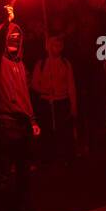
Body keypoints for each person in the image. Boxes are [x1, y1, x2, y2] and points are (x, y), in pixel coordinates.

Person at [0, 5, 47, 211]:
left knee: (25, 175)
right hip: (5, 124)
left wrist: (32, 119)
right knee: (3, 176)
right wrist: (7, 20)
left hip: (22, 125)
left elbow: (25, 95)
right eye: (10, 37)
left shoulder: (20, 65)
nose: (14, 40)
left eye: (17, 38)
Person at [31, 34, 77, 162]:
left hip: (62, 102)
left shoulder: (66, 64)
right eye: (55, 45)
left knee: (63, 131)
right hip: (46, 102)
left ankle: (64, 158)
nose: (58, 48)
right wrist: (44, 90)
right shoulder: (41, 63)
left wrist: (73, 107)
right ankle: (47, 157)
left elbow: (71, 86)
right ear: (49, 46)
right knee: (47, 131)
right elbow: (34, 84)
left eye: (60, 45)